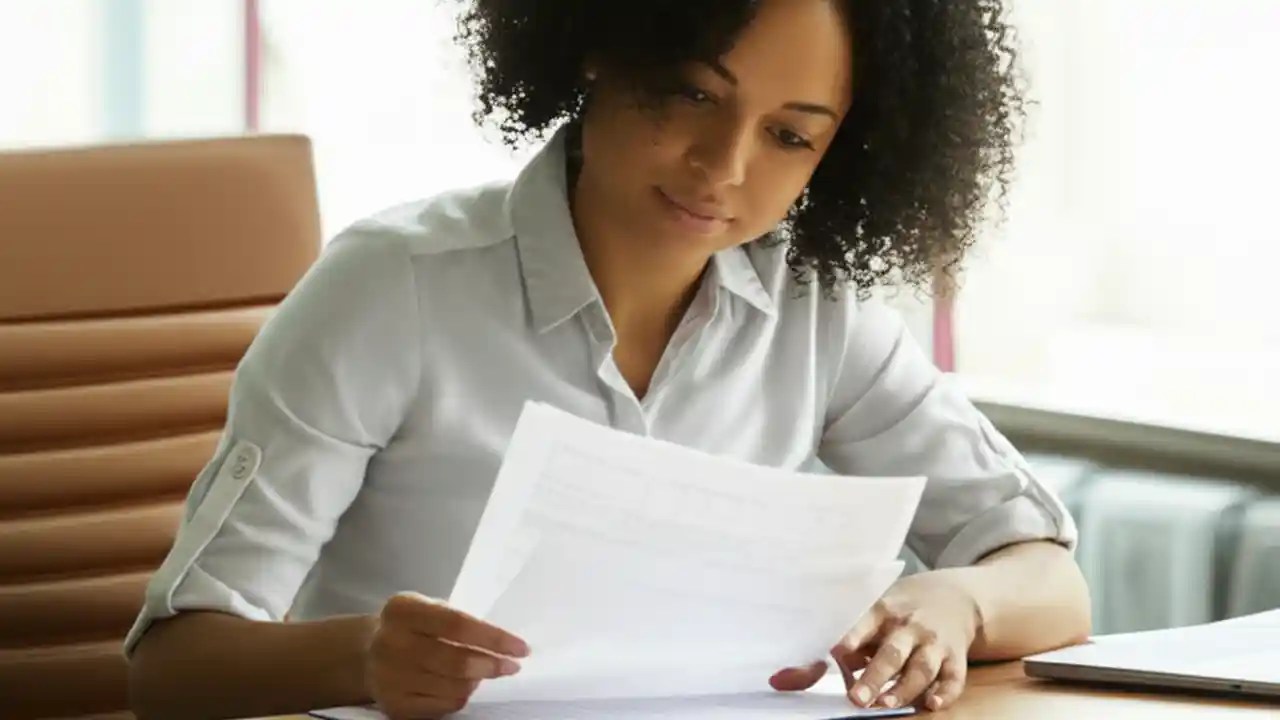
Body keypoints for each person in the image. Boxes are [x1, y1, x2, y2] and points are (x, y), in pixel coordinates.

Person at [126, 0, 1091, 717]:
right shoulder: (393, 292)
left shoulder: (815, 312)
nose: (724, 167)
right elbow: (173, 665)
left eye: (790, 135)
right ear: (601, 46)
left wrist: (957, 599)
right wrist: (362, 657)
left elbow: (1050, 580)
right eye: (691, 94)